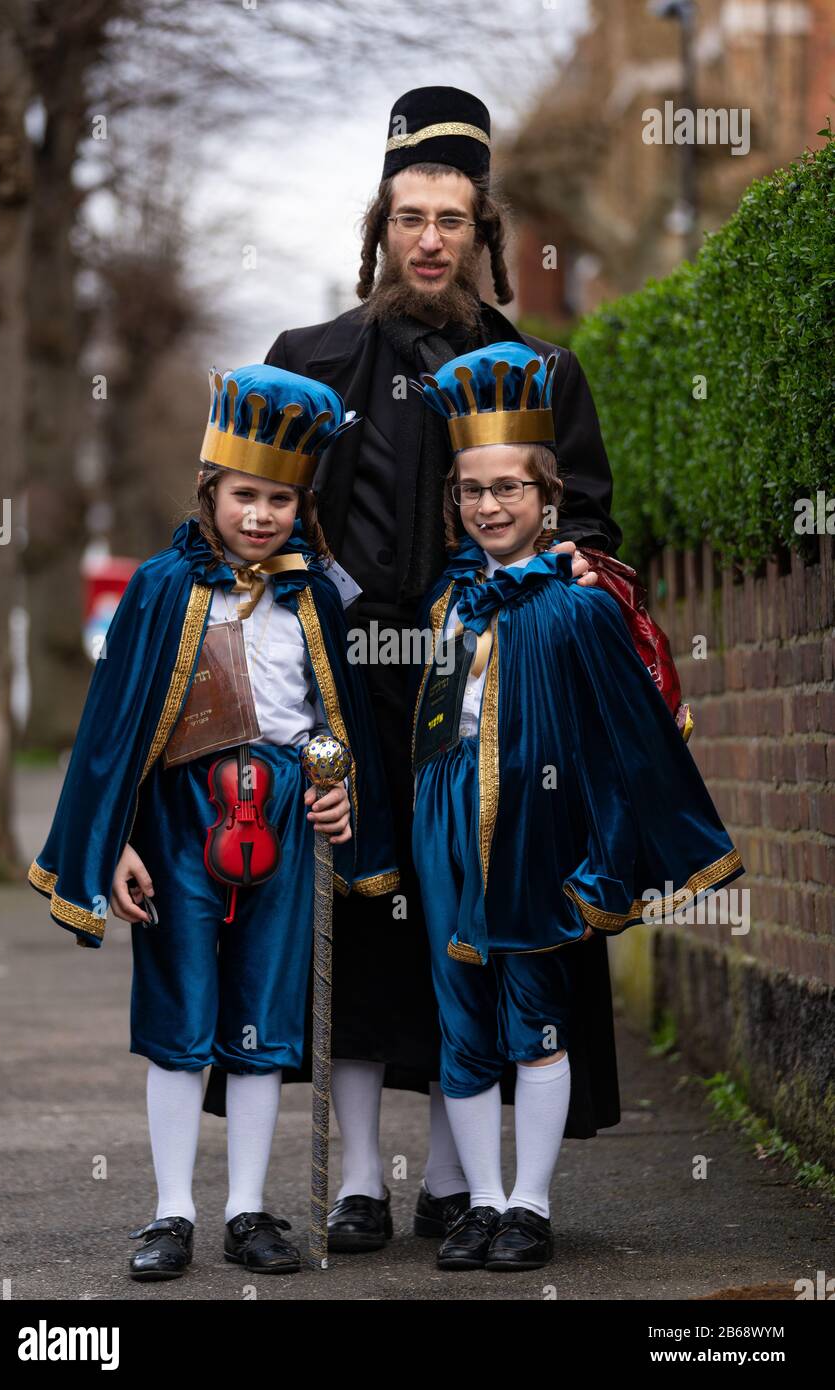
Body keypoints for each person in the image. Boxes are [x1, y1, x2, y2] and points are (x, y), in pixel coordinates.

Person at [202, 84, 622, 1255]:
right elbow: (253, 521)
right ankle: (357, 1187)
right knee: (361, 923)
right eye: (407, 219)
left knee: (471, 923)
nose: (428, 240)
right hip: (346, 698)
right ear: (379, 230)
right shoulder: (309, 362)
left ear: (483, 233)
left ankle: (457, 1180)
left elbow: (587, 522)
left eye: (451, 220)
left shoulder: (538, 372)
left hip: (490, 701)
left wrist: (571, 572)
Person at [27, 363, 399, 1280]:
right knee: (179, 1012)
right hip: (177, 820)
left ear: (298, 502)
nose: (261, 515)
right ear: (210, 490)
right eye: (244, 496)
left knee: (266, 1019)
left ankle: (247, 1210)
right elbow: (114, 729)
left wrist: (337, 785)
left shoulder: (316, 594)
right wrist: (114, 841)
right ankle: (169, 1214)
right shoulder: (158, 587)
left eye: (280, 499)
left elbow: (336, 718)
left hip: (283, 816)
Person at [407, 341, 745, 1271]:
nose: (489, 507)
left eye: (508, 489)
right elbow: (436, 730)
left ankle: (529, 1203)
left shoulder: (582, 604)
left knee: (534, 1019)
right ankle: (477, 1202)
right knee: (459, 1025)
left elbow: (628, 741)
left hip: (536, 839)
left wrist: (608, 860)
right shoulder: (449, 604)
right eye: (472, 492)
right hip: (445, 838)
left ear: (547, 497)